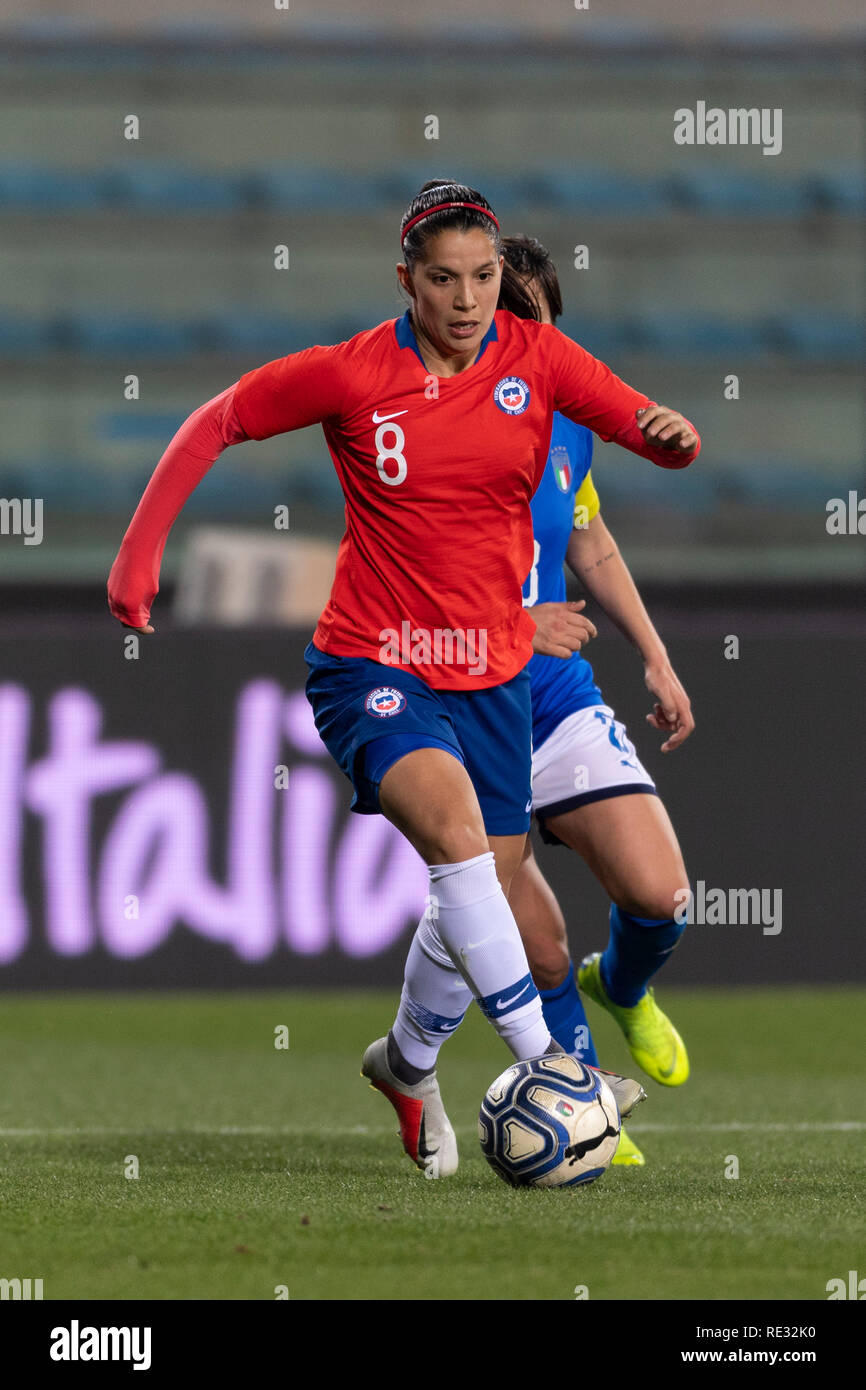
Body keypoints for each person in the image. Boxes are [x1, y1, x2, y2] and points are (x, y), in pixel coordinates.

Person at [107, 180, 700, 1178]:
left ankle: (405, 1061)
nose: (466, 301)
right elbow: (218, 420)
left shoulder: (536, 358)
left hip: (494, 679)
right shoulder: (350, 374)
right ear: (405, 282)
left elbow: (639, 423)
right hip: (372, 664)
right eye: (443, 280)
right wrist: (137, 553)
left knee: (482, 878)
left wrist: (667, 433)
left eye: (481, 279)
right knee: (464, 848)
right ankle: (553, 1069)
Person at [500, 235, 694, 1166]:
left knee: (662, 896)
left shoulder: (569, 422)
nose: (514, 329)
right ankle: (582, 1103)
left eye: (532, 313)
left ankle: (622, 986)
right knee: (536, 951)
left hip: (557, 697)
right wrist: (512, 620)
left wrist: (655, 656)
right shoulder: (423, 423)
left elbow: (589, 543)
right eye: (502, 310)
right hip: (458, 704)